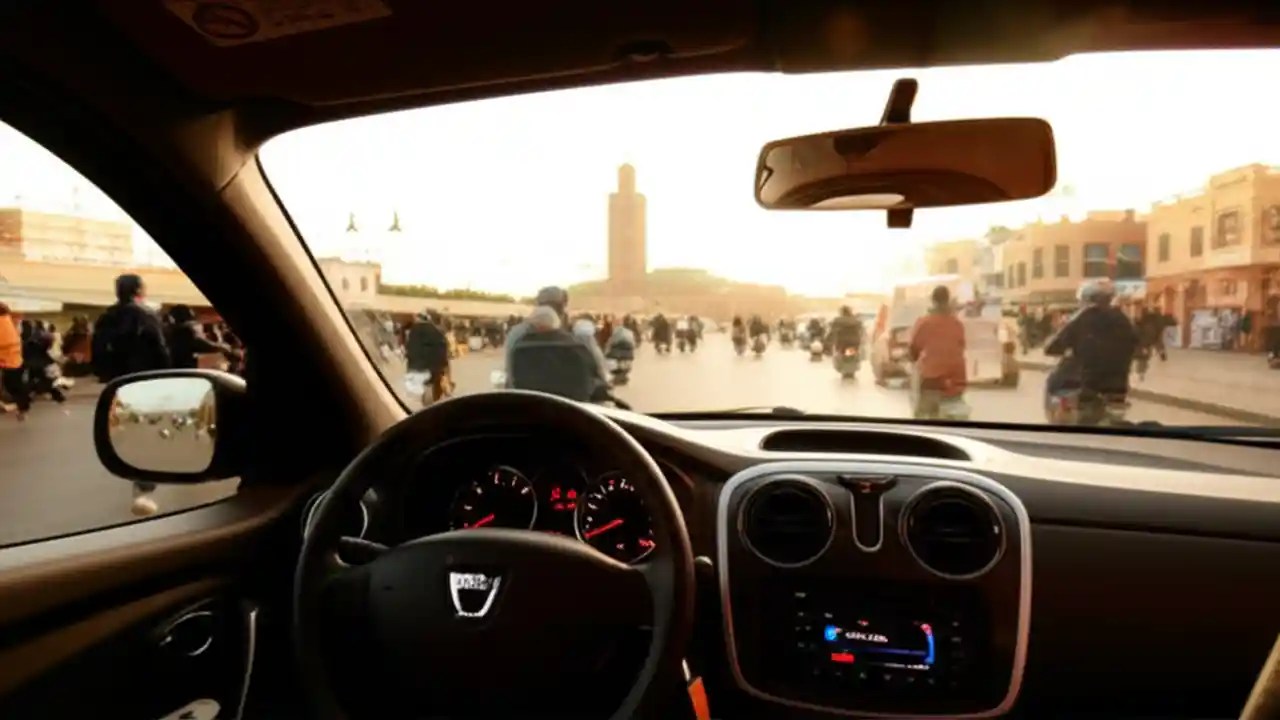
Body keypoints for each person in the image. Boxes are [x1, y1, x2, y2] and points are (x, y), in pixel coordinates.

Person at [1044, 278, 1139, 424]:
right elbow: (1136, 344)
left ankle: (1062, 421)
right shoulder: (1123, 320)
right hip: (1119, 388)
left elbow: (1052, 347)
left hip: (1089, 387)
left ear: (1086, 299)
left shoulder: (1083, 318)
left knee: (1055, 384)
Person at [504, 286, 608, 395]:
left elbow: (510, 374)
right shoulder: (579, 332)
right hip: (571, 399)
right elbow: (598, 367)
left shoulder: (517, 333)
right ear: (563, 306)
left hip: (529, 398)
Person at [93, 273, 170, 382]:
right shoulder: (146, 315)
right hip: (142, 376)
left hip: (116, 377)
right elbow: (159, 347)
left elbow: (98, 347)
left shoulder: (107, 316)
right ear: (138, 290)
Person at [907, 285, 968, 419]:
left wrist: (913, 358)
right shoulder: (957, 324)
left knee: (924, 417)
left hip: (932, 381)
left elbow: (913, 350)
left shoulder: (924, 323)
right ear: (948, 300)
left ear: (933, 300)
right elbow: (961, 346)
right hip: (955, 381)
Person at [166, 305, 240, 369]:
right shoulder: (185, 330)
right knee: (218, 359)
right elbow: (204, 345)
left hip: (176, 365)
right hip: (184, 367)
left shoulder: (172, 330)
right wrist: (224, 347)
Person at [404, 310, 452, 407]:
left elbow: (409, 351)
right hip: (432, 371)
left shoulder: (415, 332)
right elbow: (443, 356)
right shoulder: (438, 334)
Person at [0, 303, 30, 420]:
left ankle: (20, 407)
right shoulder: (8, 321)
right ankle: (22, 407)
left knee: (13, 386)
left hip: (8, 361)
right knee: (15, 386)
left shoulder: (3, 323)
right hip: (14, 360)